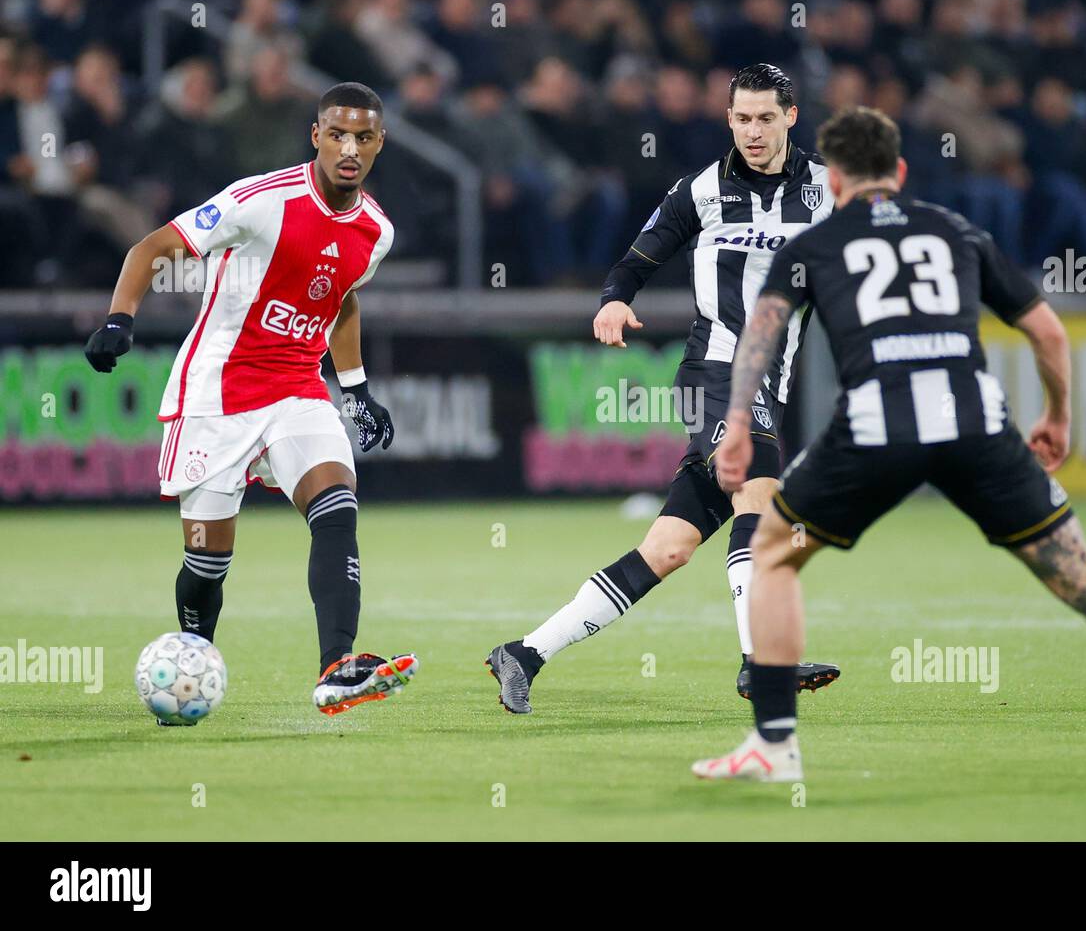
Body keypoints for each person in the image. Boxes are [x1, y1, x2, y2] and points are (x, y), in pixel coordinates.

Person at [692, 106, 1086, 785]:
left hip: (877, 429)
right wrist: (1058, 417)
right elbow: (1048, 332)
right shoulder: (956, 230)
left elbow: (761, 334)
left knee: (772, 555)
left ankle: (775, 748)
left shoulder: (813, 245)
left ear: (833, 181)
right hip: (977, 429)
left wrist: (733, 422)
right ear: (899, 172)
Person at [485, 64, 841, 713]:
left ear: (791, 117)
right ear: (727, 120)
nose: (753, 131)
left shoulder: (828, 189)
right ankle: (760, 661)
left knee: (669, 547)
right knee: (759, 495)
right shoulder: (700, 190)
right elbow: (636, 259)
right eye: (741, 118)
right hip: (716, 375)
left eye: (766, 117)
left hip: (771, 381)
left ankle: (525, 653)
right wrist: (615, 302)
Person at [82, 83, 417, 720]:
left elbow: (342, 299)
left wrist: (356, 390)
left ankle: (337, 667)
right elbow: (150, 247)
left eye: (363, 137)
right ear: (315, 136)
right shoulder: (260, 200)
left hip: (296, 388)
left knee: (336, 506)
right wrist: (119, 320)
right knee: (207, 564)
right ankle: (191, 659)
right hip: (218, 391)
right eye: (338, 135)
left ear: (379, 144)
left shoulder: (376, 231)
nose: (350, 148)